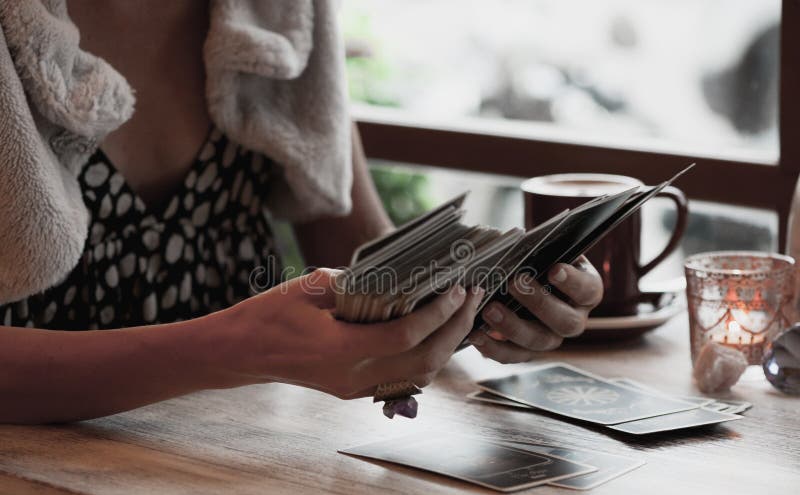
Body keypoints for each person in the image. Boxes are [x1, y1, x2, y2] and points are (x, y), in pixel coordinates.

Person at [0, 1, 603, 424]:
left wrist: (486, 304)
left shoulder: (282, 9)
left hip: (235, 462)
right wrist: (231, 348)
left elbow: (360, 251)